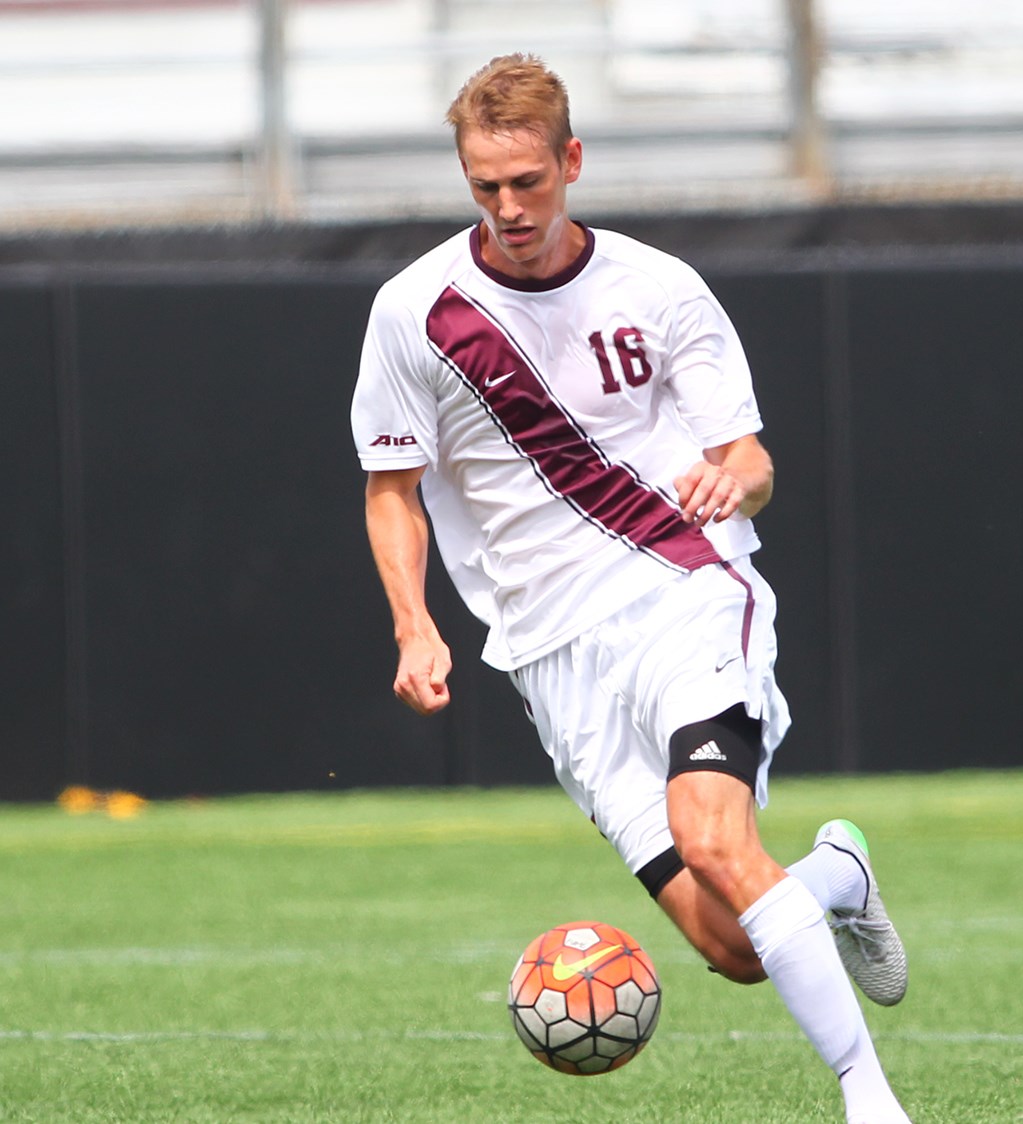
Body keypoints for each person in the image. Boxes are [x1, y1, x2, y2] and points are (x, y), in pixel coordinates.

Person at [351, 55, 911, 1124]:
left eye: (527, 182)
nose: (509, 209)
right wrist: (412, 621)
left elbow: (749, 460)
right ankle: (836, 874)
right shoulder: (415, 312)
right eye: (484, 187)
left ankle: (867, 1093)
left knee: (714, 838)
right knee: (730, 944)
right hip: (549, 654)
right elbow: (391, 489)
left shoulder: (657, 288)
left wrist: (726, 478)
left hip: (681, 588)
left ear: (570, 160)